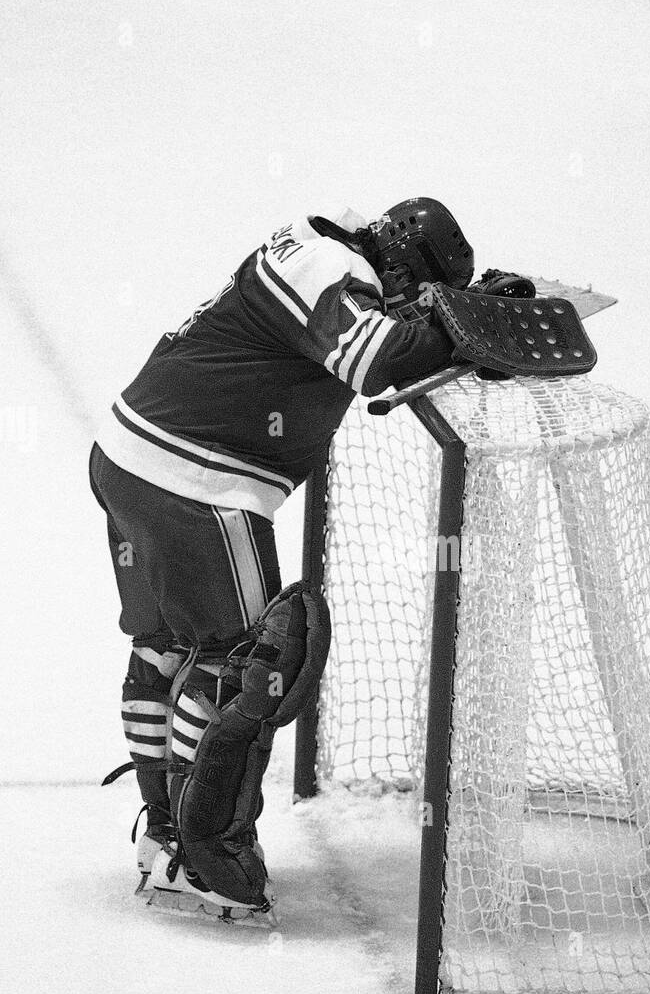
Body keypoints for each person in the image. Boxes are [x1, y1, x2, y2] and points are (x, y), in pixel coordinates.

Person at [90, 199, 474, 920]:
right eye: (417, 292)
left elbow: (376, 340)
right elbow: (379, 359)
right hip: (194, 480)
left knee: (167, 647)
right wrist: (464, 321)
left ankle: (166, 836)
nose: (410, 305)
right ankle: (198, 853)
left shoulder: (317, 250)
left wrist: (444, 316)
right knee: (243, 664)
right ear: (399, 266)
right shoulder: (331, 270)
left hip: (130, 458)